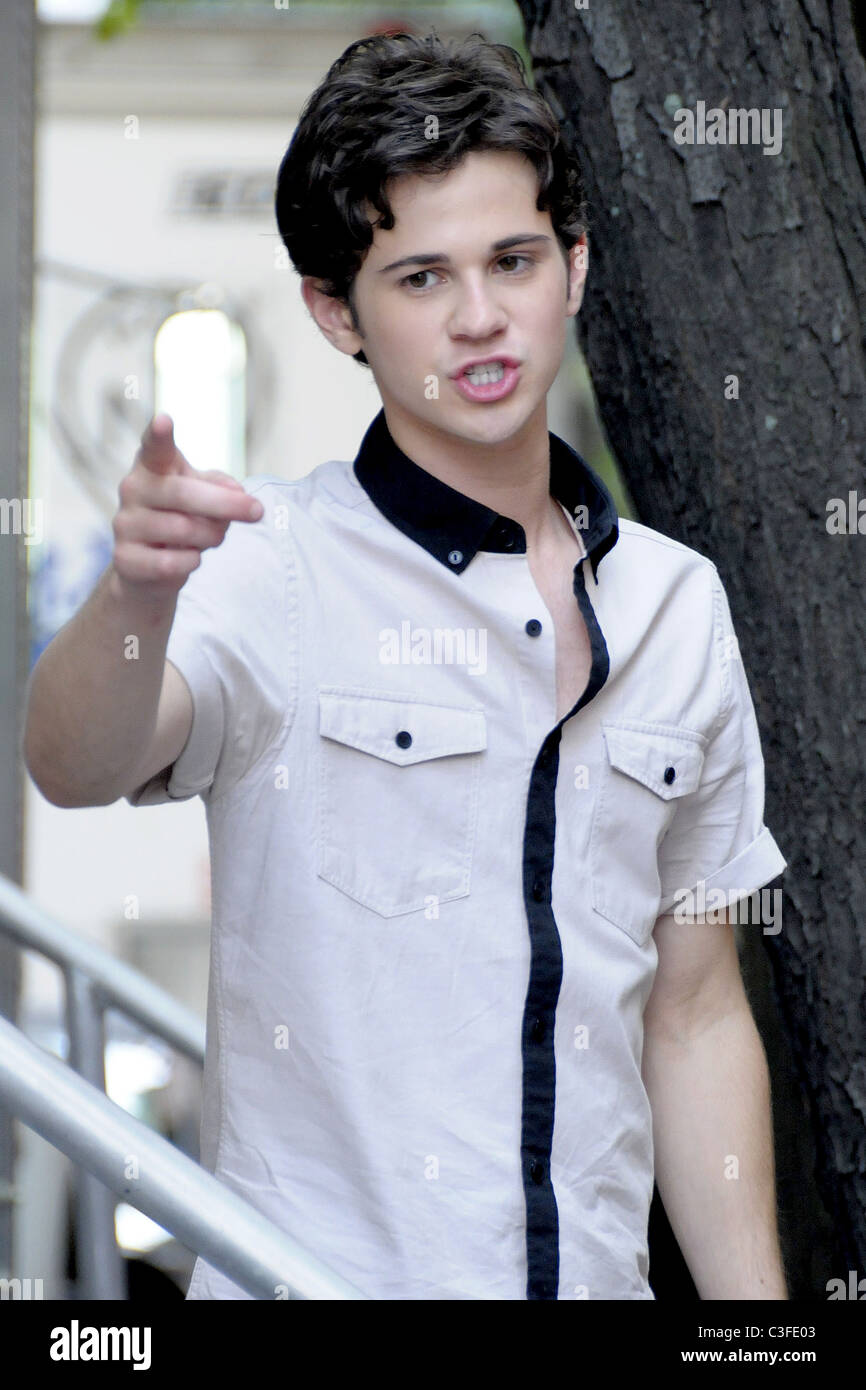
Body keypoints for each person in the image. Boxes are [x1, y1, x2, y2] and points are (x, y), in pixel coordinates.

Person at [23, 30, 789, 1301]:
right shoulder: (271, 571)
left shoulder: (676, 605)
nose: (480, 316)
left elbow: (694, 1012)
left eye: (512, 260)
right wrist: (136, 591)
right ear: (338, 312)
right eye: (421, 276)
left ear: (575, 267)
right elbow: (69, 763)